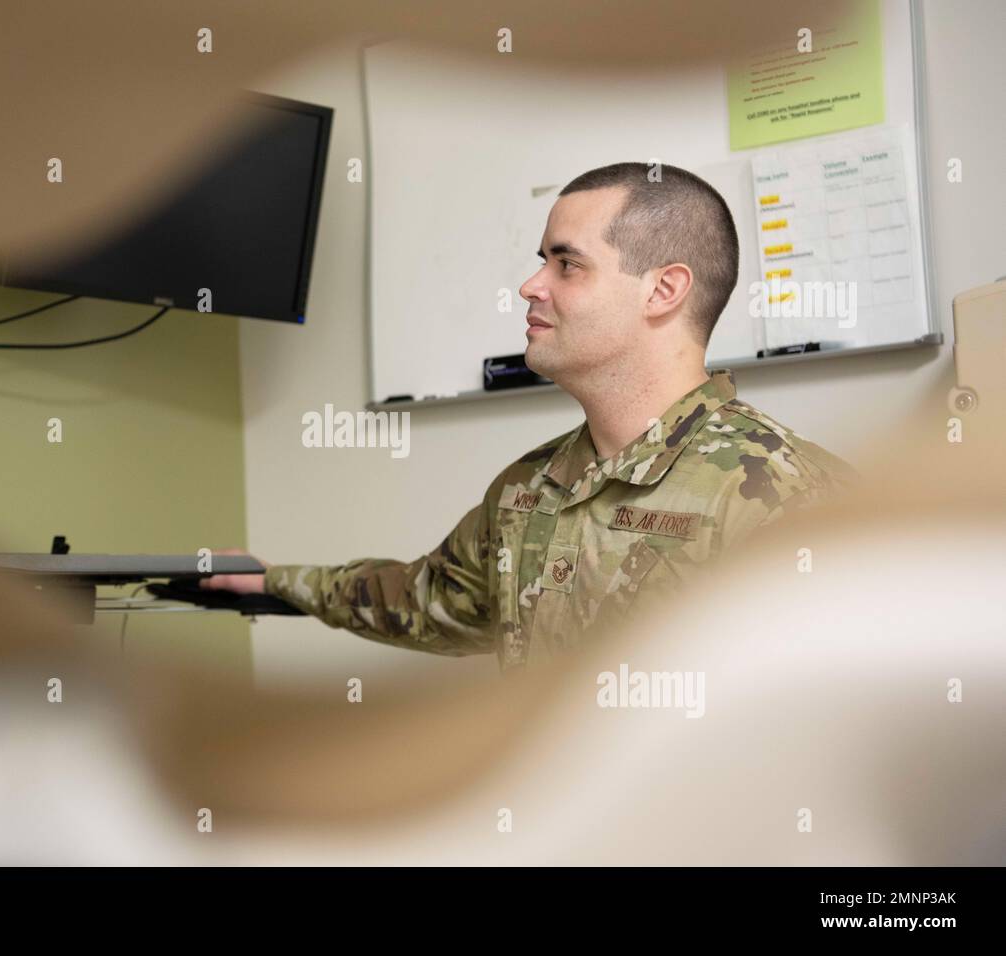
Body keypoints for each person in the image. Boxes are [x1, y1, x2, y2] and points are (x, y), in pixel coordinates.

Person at [202, 163, 858, 671]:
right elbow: (429, 601)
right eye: (542, 260)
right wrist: (273, 583)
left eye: (567, 263)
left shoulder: (785, 496)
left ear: (663, 290)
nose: (531, 286)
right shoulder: (530, 486)